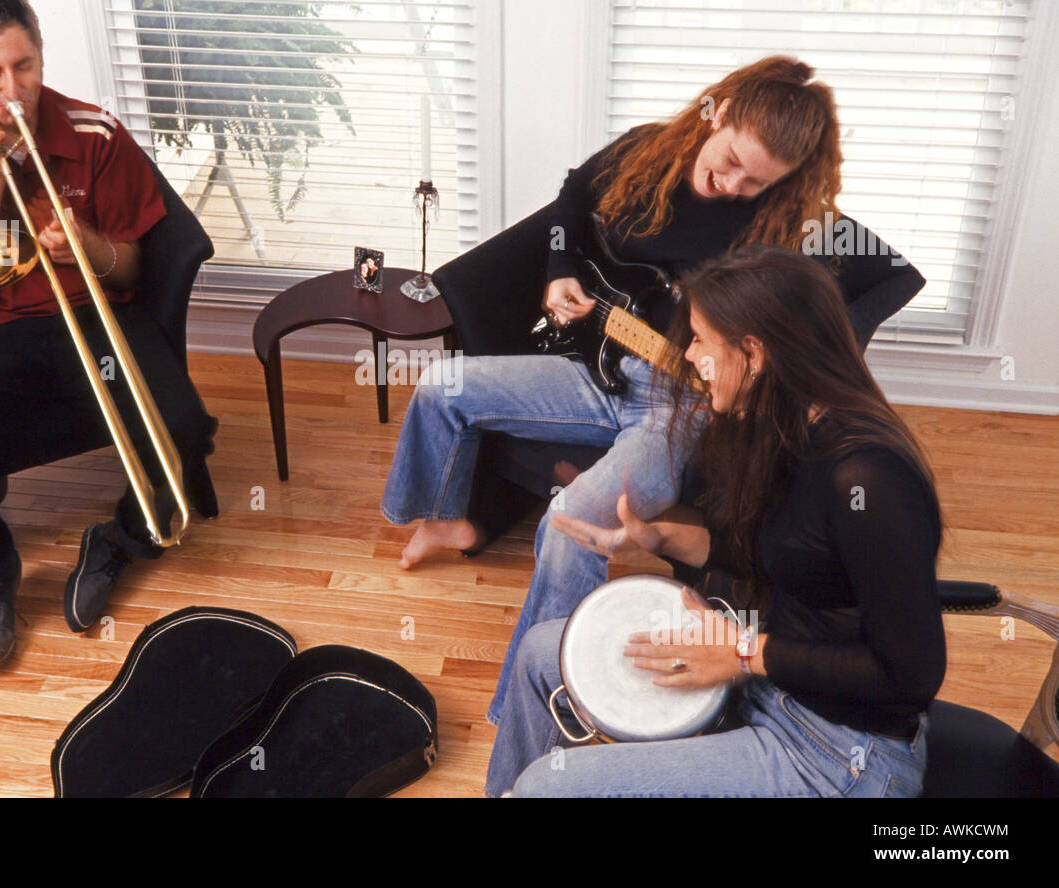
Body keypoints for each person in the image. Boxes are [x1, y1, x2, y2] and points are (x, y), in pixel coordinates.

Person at [378, 56, 925, 725]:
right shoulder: (649, 150)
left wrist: (820, 344)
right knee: (442, 384)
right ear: (716, 112)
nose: (731, 185)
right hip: (601, 368)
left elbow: (898, 277)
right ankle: (450, 517)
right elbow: (571, 201)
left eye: (756, 182)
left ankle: (545, 696)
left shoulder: (798, 218)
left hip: (680, 410)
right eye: (728, 161)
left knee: (570, 526)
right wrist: (555, 272)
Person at [485, 245, 945, 797]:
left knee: (546, 788)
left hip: (840, 753)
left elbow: (910, 676)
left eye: (701, 339)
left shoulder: (867, 481)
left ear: (752, 355)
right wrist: (660, 538)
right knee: (542, 652)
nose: (687, 353)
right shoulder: (785, 427)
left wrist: (745, 652)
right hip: (769, 681)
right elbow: (786, 551)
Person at [0, 0, 218, 670]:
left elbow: (133, 261)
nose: (11, 87)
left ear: (42, 55)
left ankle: (119, 540)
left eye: (24, 65)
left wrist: (87, 244)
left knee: (188, 430)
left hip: (89, 311)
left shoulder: (93, 133)